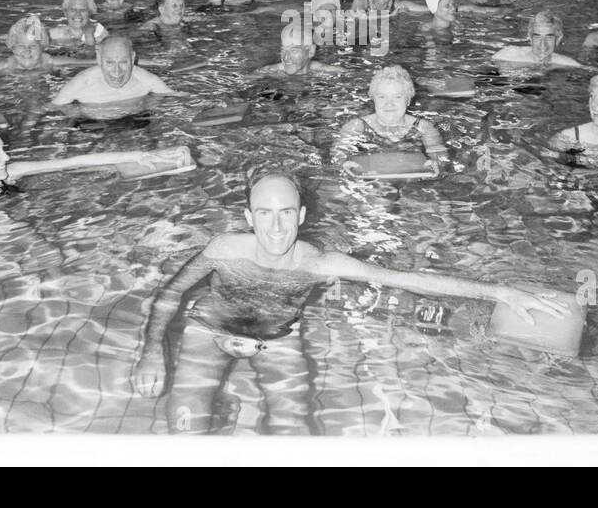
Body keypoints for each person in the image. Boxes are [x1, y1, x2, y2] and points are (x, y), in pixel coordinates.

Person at [132, 170, 571, 434]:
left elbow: (407, 279)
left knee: (293, 431)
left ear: (301, 216)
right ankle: (218, 406)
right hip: (210, 331)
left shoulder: (320, 264)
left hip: (277, 338)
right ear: (248, 218)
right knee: (184, 431)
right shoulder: (223, 248)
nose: (276, 227)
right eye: (264, 214)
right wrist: (152, 350)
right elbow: (172, 290)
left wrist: (498, 291)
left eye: (286, 212)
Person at [0, 122, 185, 243]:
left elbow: (72, 161)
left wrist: (136, 154)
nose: (7, 156)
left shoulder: (8, 173)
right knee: (23, 235)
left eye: (3, 148)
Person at [332, 65, 448, 167]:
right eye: (382, 97)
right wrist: (343, 163)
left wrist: (435, 163)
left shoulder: (423, 127)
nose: (389, 103)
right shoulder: (356, 126)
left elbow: (440, 156)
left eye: (397, 97)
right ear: (374, 99)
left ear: (408, 100)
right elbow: (337, 156)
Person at [51, 35, 179, 107]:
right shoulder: (81, 83)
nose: (117, 72)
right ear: (99, 59)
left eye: (123, 62)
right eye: (110, 63)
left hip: (136, 123)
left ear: (133, 59)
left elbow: (177, 99)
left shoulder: (146, 79)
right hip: (91, 126)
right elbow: (53, 111)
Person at [0, 14, 69, 74]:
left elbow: (83, 64)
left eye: (32, 46)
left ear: (42, 47)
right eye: (21, 46)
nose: (27, 51)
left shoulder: (51, 62)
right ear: (12, 48)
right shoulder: (4, 66)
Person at [492, 12, 585, 68]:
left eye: (549, 37)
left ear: (558, 38)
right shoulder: (506, 57)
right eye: (537, 37)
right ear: (530, 37)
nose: (543, 44)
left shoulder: (568, 64)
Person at [251, 26, 340, 78]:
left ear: (310, 51)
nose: (286, 58)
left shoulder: (325, 71)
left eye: (294, 50)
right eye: (283, 50)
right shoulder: (269, 72)